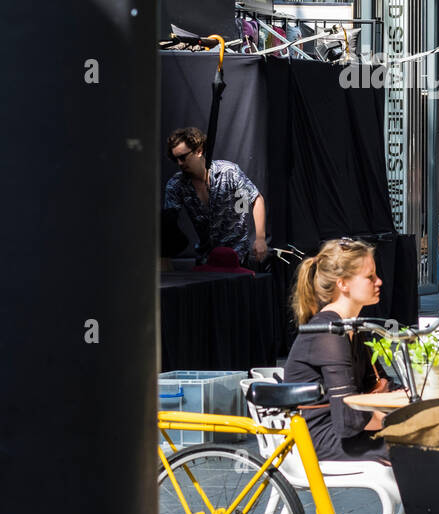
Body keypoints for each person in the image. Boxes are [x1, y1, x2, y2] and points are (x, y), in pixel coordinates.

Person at [283, 238, 391, 462]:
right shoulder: (329, 333)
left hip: (341, 431)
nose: (378, 281)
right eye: (370, 277)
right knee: (417, 448)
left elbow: (381, 385)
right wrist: (398, 420)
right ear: (343, 284)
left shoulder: (352, 326)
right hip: (320, 438)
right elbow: (348, 419)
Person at [164, 126, 267, 264]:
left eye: (183, 157)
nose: (180, 163)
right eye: (175, 159)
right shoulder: (176, 185)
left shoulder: (228, 172)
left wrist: (260, 238)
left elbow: (256, 199)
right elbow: (168, 221)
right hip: (207, 258)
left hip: (238, 256)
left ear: (199, 151)